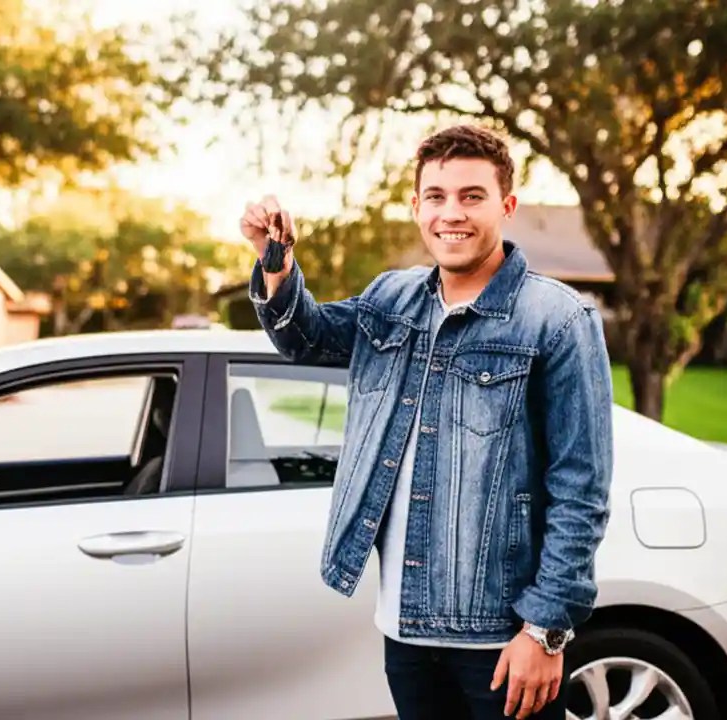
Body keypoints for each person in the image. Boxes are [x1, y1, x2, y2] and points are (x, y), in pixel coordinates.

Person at [242, 124, 614, 719]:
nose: (452, 214)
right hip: (405, 632)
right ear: (416, 208)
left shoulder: (558, 320)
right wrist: (276, 261)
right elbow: (303, 338)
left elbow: (581, 490)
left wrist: (546, 630)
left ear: (507, 206)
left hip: (500, 636)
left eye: (472, 196)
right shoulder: (391, 298)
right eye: (436, 197)